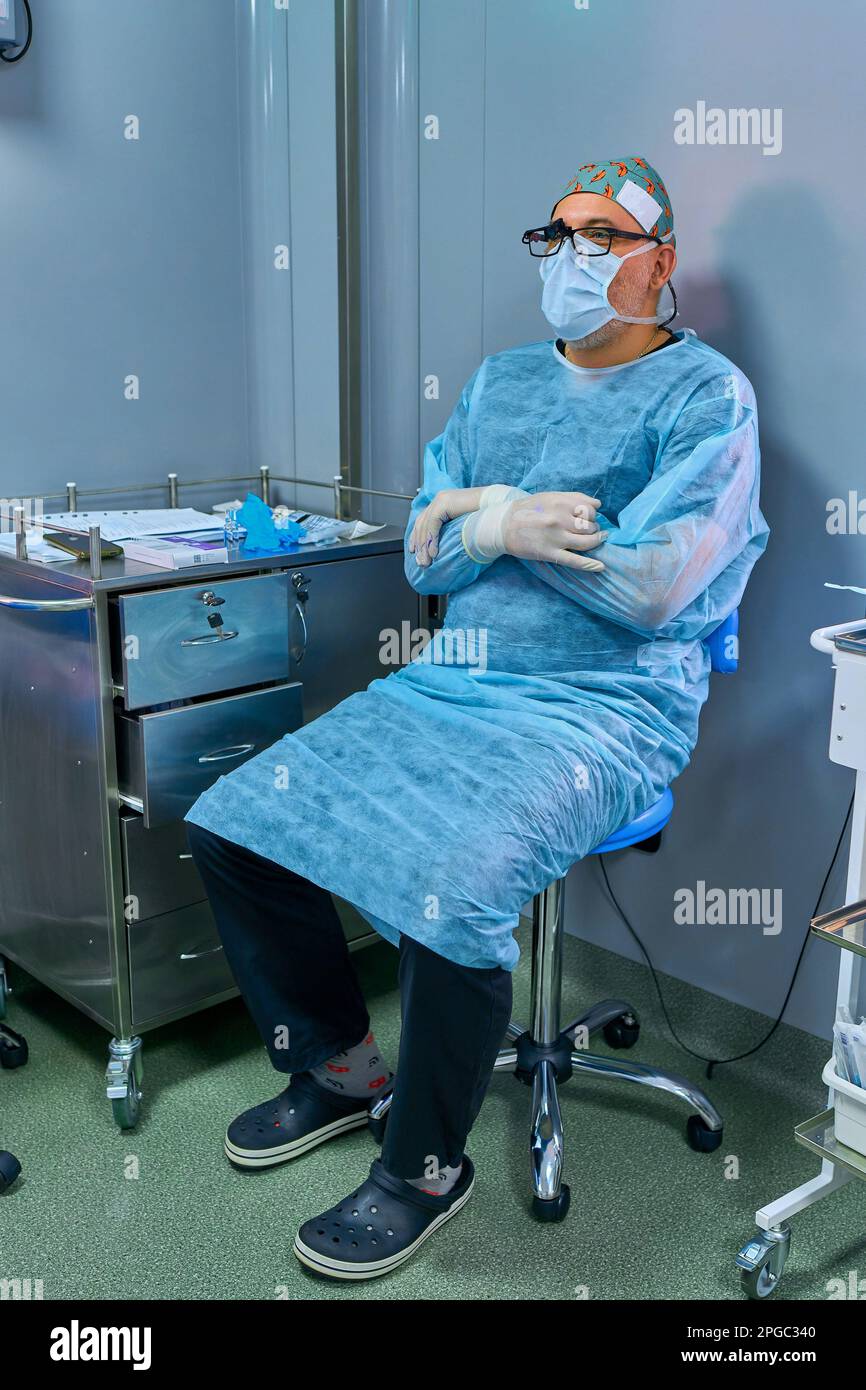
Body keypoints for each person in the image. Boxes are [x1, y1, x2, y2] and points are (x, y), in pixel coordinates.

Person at [185, 154, 769, 1281]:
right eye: (556, 236)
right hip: (450, 681)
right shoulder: (500, 384)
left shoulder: (708, 400)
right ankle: (344, 1065)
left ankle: (422, 1171)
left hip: (601, 710)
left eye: (601, 235)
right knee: (230, 818)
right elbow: (422, 548)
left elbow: (654, 587)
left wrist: (476, 517)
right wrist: (505, 522)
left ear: (659, 262)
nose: (572, 258)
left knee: (454, 886)